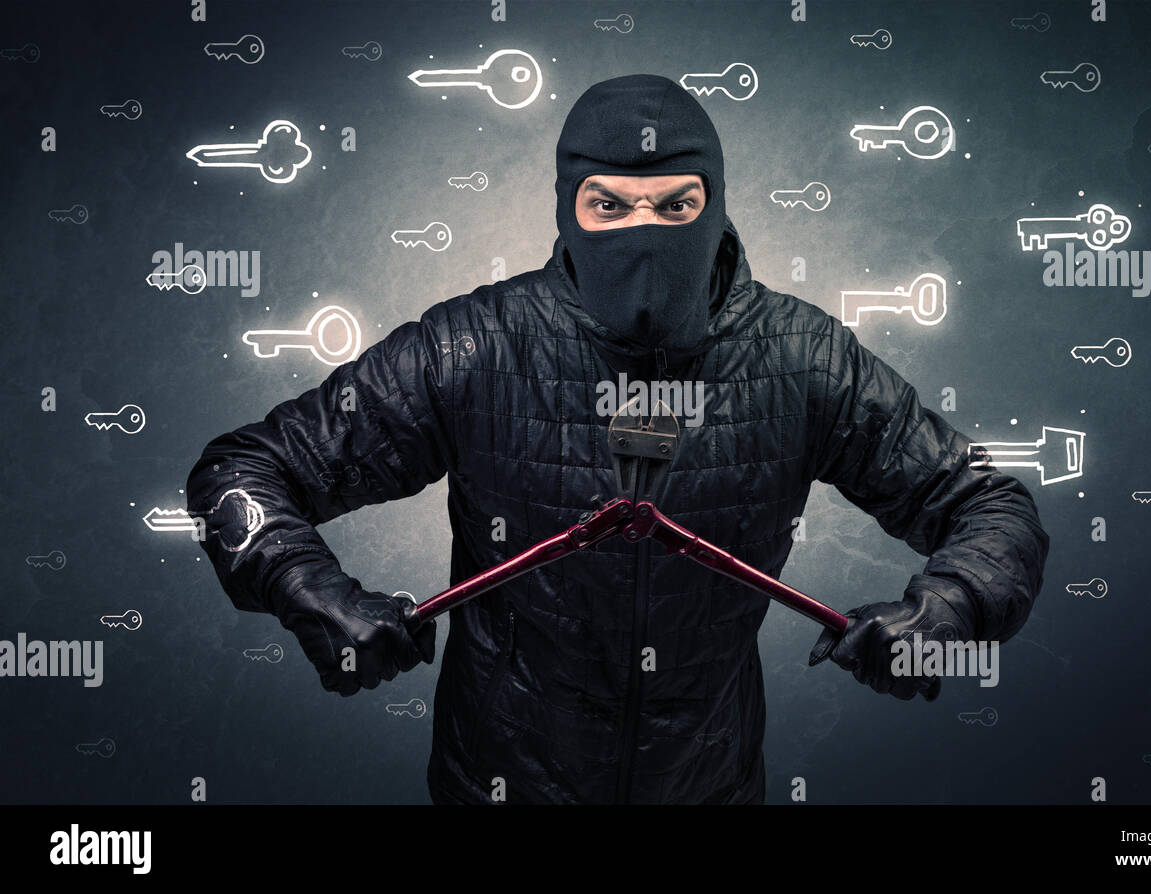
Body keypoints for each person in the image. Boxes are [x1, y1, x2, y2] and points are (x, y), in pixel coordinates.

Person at [186, 73, 1050, 804]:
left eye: (676, 205)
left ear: (715, 206)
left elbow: (991, 504)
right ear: (569, 208)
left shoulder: (804, 357)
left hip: (711, 786)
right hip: (499, 783)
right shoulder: (475, 346)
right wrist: (315, 594)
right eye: (611, 206)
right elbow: (245, 472)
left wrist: (949, 610)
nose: (645, 234)